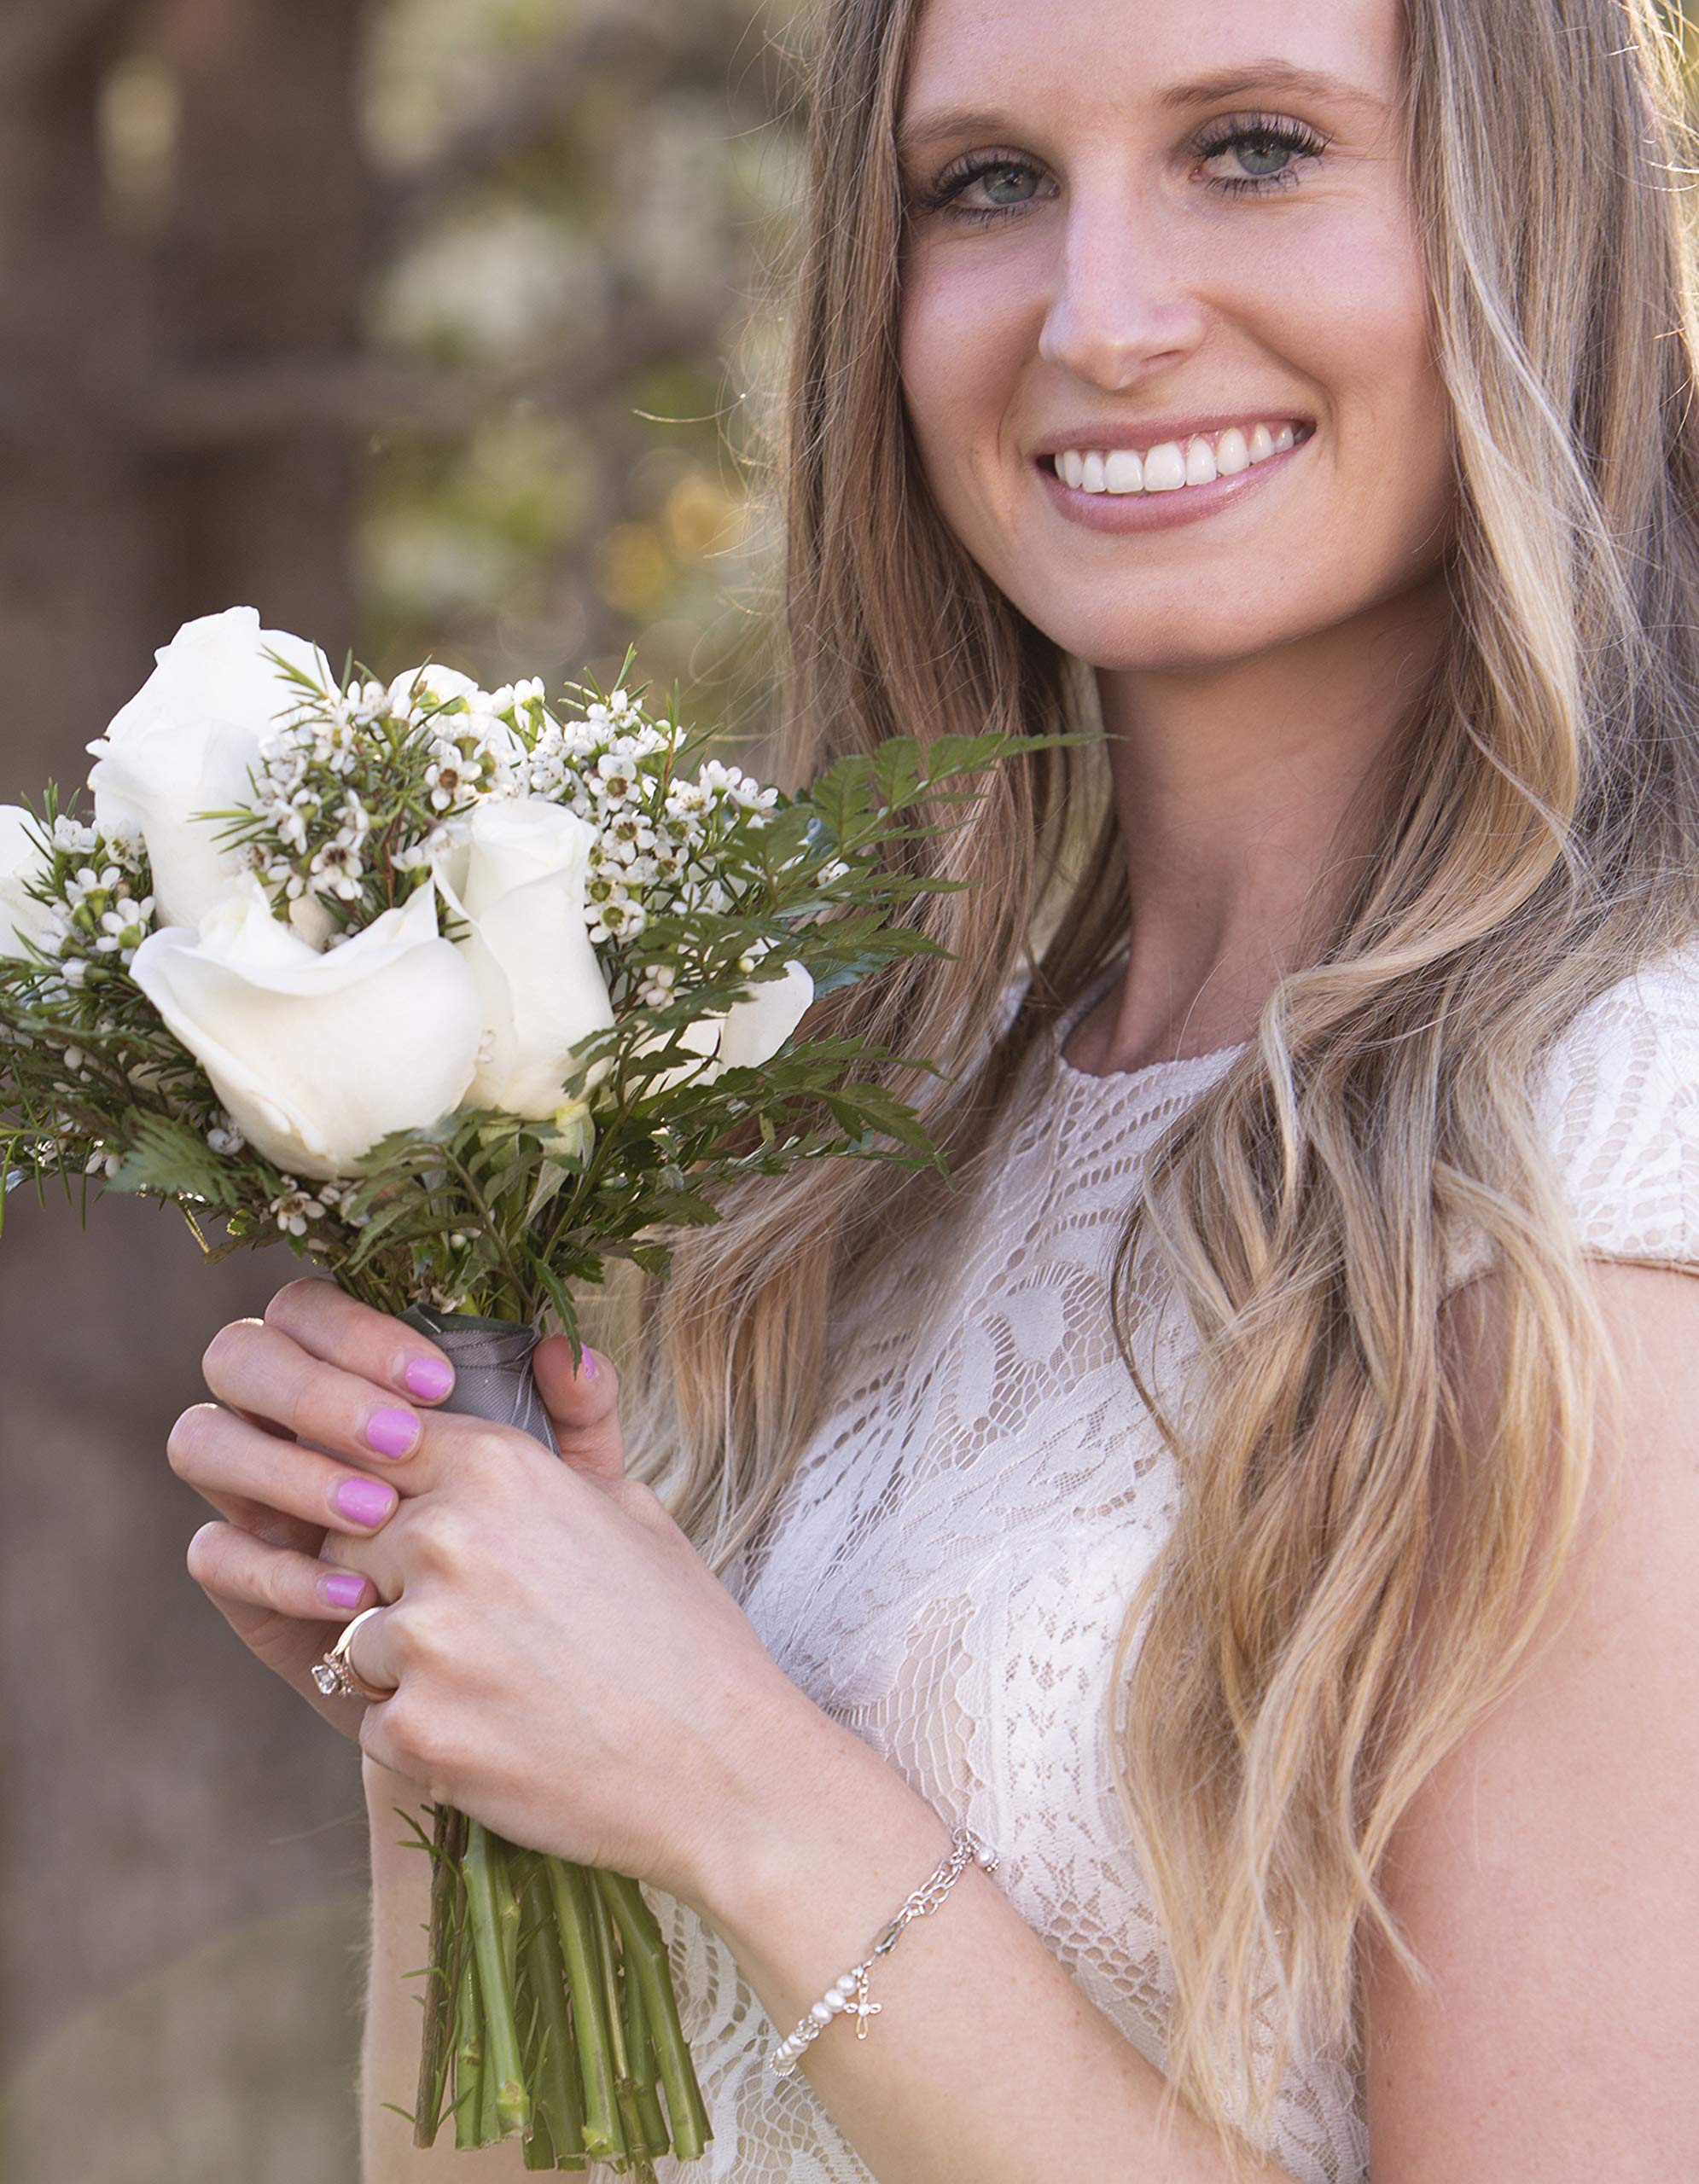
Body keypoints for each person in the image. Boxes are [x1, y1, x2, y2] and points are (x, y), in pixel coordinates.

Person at [166, 0, 1699, 2175]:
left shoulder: (1621, 1168)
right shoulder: (855, 1152)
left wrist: (733, 1776)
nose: (1105, 316)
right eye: (985, 184)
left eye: (1253, 147)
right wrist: (470, 1713)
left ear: (1537, 219)